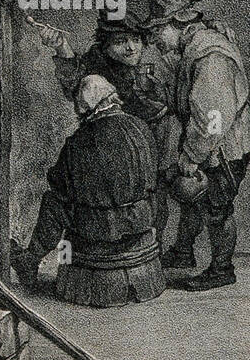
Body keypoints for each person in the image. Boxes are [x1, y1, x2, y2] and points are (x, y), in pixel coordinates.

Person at [10, 75, 164, 304]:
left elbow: (58, 182)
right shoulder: (141, 127)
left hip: (100, 228)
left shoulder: (80, 141)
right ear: (113, 99)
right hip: (142, 219)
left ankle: (31, 261)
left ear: (87, 110)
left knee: (54, 202)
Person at [147, 0, 250, 291]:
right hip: (214, 143)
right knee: (193, 200)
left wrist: (191, 157)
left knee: (216, 207)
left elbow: (214, 117)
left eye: (157, 31)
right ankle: (184, 253)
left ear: (177, 24)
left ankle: (222, 269)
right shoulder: (192, 48)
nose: (154, 40)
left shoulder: (209, 55)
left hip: (224, 147)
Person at [34, 8, 180, 242]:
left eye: (135, 40)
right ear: (106, 45)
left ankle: (152, 254)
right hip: (115, 145)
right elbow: (76, 83)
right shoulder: (99, 66)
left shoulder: (159, 60)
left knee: (156, 197)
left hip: (158, 139)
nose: (131, 48)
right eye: (121, 42)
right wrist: (62, 47)